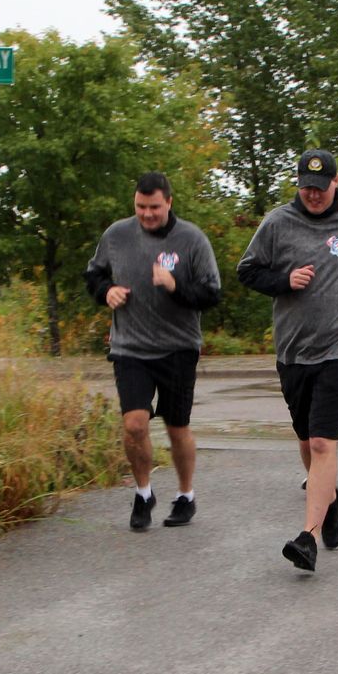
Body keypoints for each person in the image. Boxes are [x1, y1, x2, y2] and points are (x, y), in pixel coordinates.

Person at [237, 149, 338, 572]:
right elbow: (247, 270)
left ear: (335, 182)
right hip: (293, 350)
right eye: (306, 188)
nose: (313, 195)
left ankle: (307, 537)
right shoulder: (276, 223)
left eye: (320, 188)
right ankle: (332, 499)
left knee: (326, 441)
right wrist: (283, 281)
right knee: (308, 442)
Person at [85, 171, 222, 531]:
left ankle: (185, 495)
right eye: (141, 207)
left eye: (154, 208)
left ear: (169, 203)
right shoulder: (116, 235)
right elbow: (94, 275)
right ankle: (143, 493)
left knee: (177, 428)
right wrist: (106, 292)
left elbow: (211, 294)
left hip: (178, 347)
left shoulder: (191, 239)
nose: (147, 214)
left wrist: (176, 286)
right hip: (130, 346)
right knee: (134, 424)